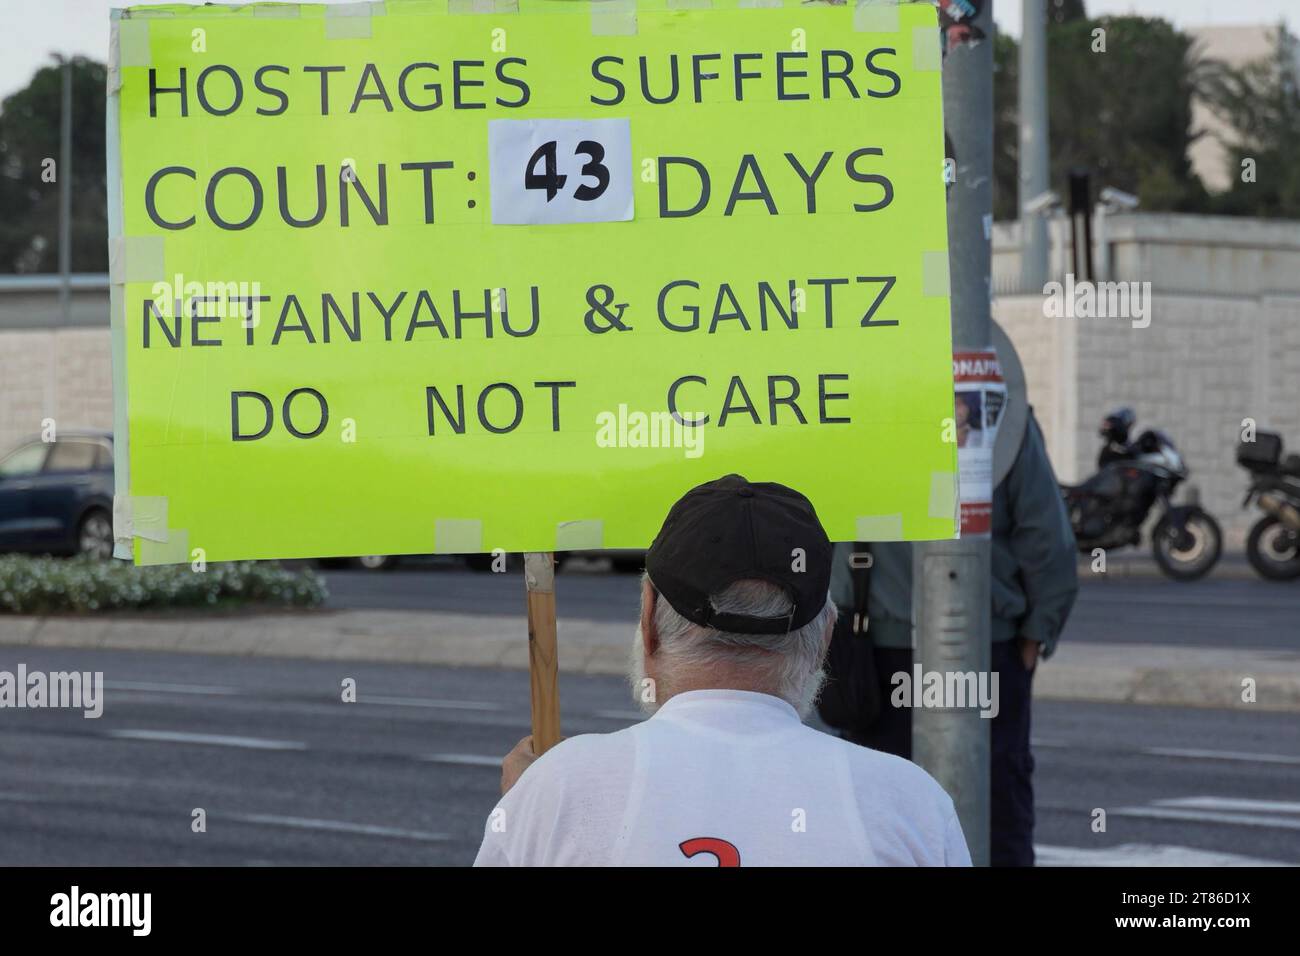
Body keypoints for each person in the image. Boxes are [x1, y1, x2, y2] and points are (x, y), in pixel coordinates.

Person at [475, 474, 971, 867]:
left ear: (648, 620)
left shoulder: (556, 789)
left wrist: (529, 814)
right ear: (824, 640)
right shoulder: (909, 805)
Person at [829, 409, 1077, 867]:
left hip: (878, 656)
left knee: (881, 815)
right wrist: (1036, 633)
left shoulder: (854, 408)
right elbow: (1048, 539)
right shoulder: (999, 412)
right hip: (985, 651)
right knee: (994, 801)